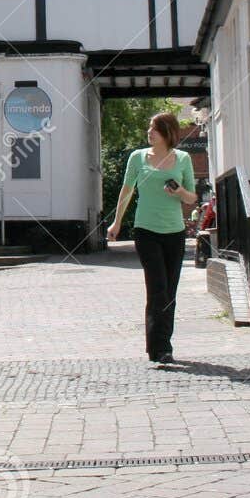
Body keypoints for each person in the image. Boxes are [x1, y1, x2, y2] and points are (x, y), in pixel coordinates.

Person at [107, 112, 197, 364]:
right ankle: (159, 348)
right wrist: (117, 222)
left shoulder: (183, 159)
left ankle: (162, 345)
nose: (149, 132)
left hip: (175, 233)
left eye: (154, 128)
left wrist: (179, 191)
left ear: (167, 132)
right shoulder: (137, 158)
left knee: (169, 291)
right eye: (149, 127)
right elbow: (127, 190)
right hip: (146, 230)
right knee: (157, 289)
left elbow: (192, 197)